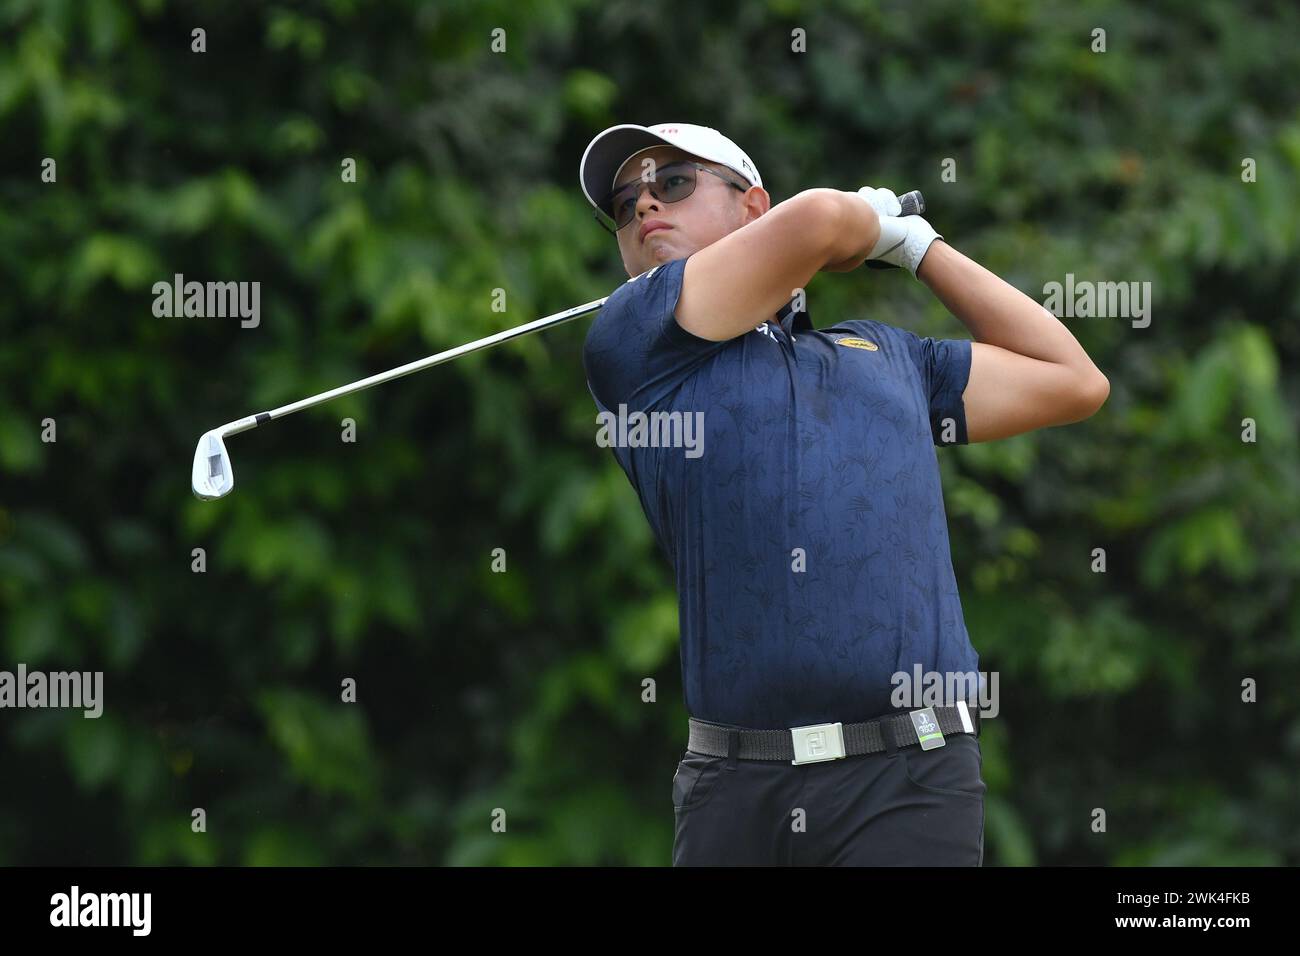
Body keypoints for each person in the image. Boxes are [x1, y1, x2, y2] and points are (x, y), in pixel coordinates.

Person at [577, 123, 1109, 866]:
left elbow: (1075, 381)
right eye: (623, 201)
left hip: (912, 779)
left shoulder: (888, 356)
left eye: (671, 183)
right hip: (735, 788)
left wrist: (920, 249)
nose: (642, 208)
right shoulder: (632, 343)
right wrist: (862, 225)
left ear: (753, 208)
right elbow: (823, 220)